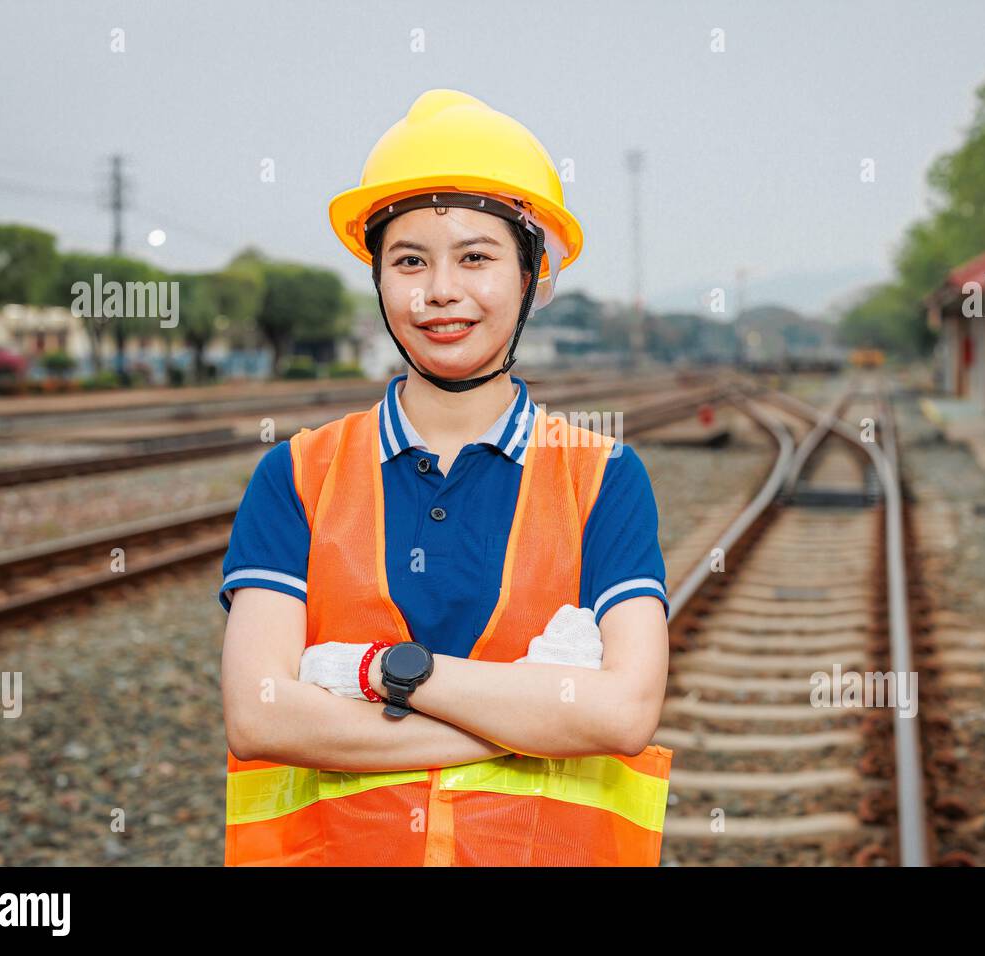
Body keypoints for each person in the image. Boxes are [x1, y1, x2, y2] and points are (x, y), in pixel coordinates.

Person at [218, 89, 673, 866]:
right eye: (409, 261)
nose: (439, 292)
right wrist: (524, 720)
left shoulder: (603, 477)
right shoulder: (296, 475)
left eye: (476, 257)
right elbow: (260, 716)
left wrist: (380, 673)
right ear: (380, 280)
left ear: (534, 275)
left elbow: (625, 712)